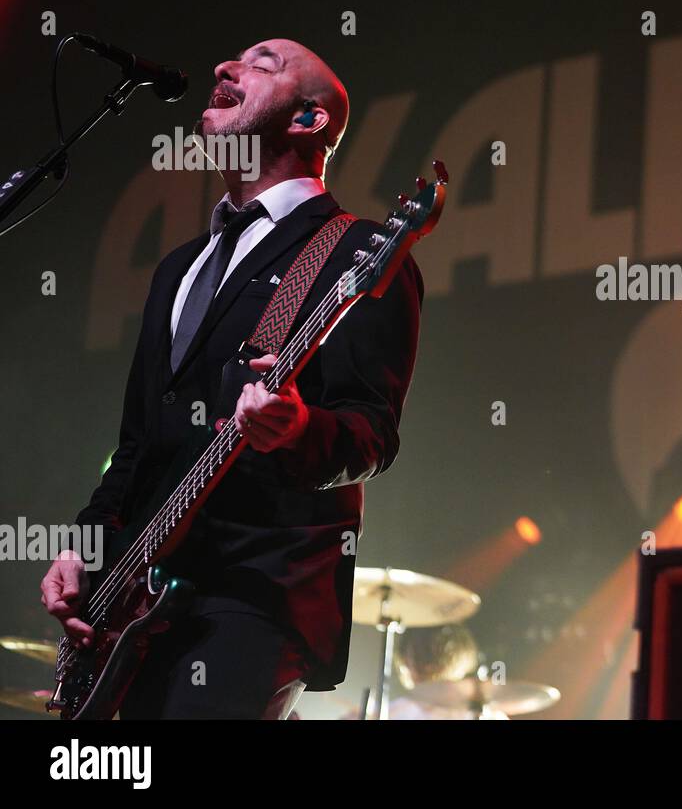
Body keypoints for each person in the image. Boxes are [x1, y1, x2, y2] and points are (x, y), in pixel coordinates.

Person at [38, 39, 424, 719]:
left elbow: (372, 435)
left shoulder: (355, 252)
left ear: (308, 122)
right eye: (232, 60)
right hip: (135, 603)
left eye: (262, 65)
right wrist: (85, 550)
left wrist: (298, 429)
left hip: (255, 595)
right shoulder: (176, 269)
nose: (223, 67)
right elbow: (134, 451)